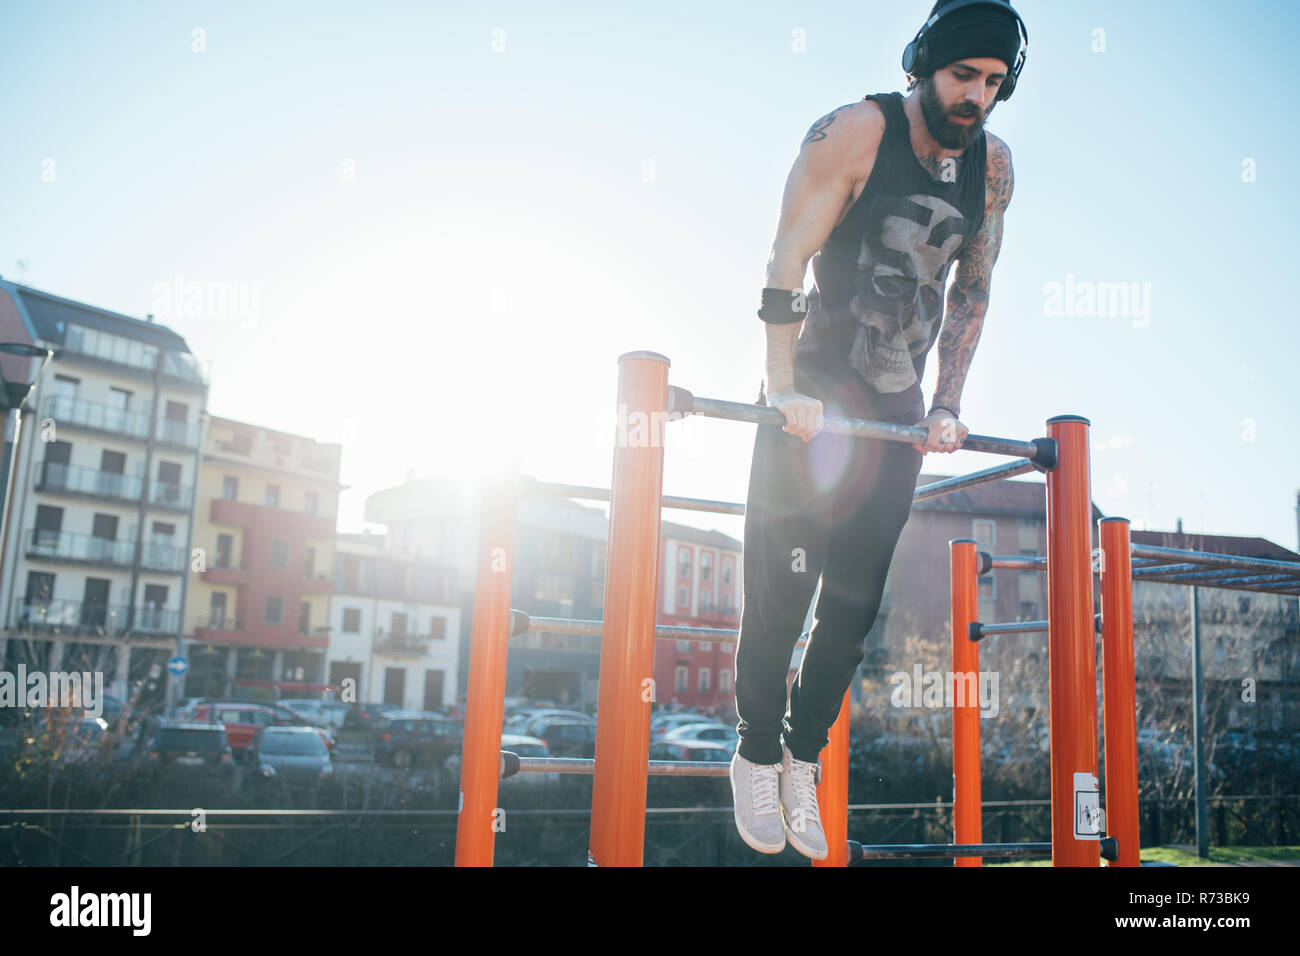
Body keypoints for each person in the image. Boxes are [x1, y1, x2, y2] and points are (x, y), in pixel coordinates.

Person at [729, 0, 1024, 859]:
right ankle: (752, 751)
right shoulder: (855, 132)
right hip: (815, 387)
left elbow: (972, 288)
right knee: (785, 586)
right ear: (923, 66)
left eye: (994, 84)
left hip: (896, 411)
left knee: (854, 606)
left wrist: (947, 404)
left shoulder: (993, 168)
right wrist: (783, 387)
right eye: (964, 77)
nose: (976, 97)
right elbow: (786, 258)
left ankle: (801, 758)